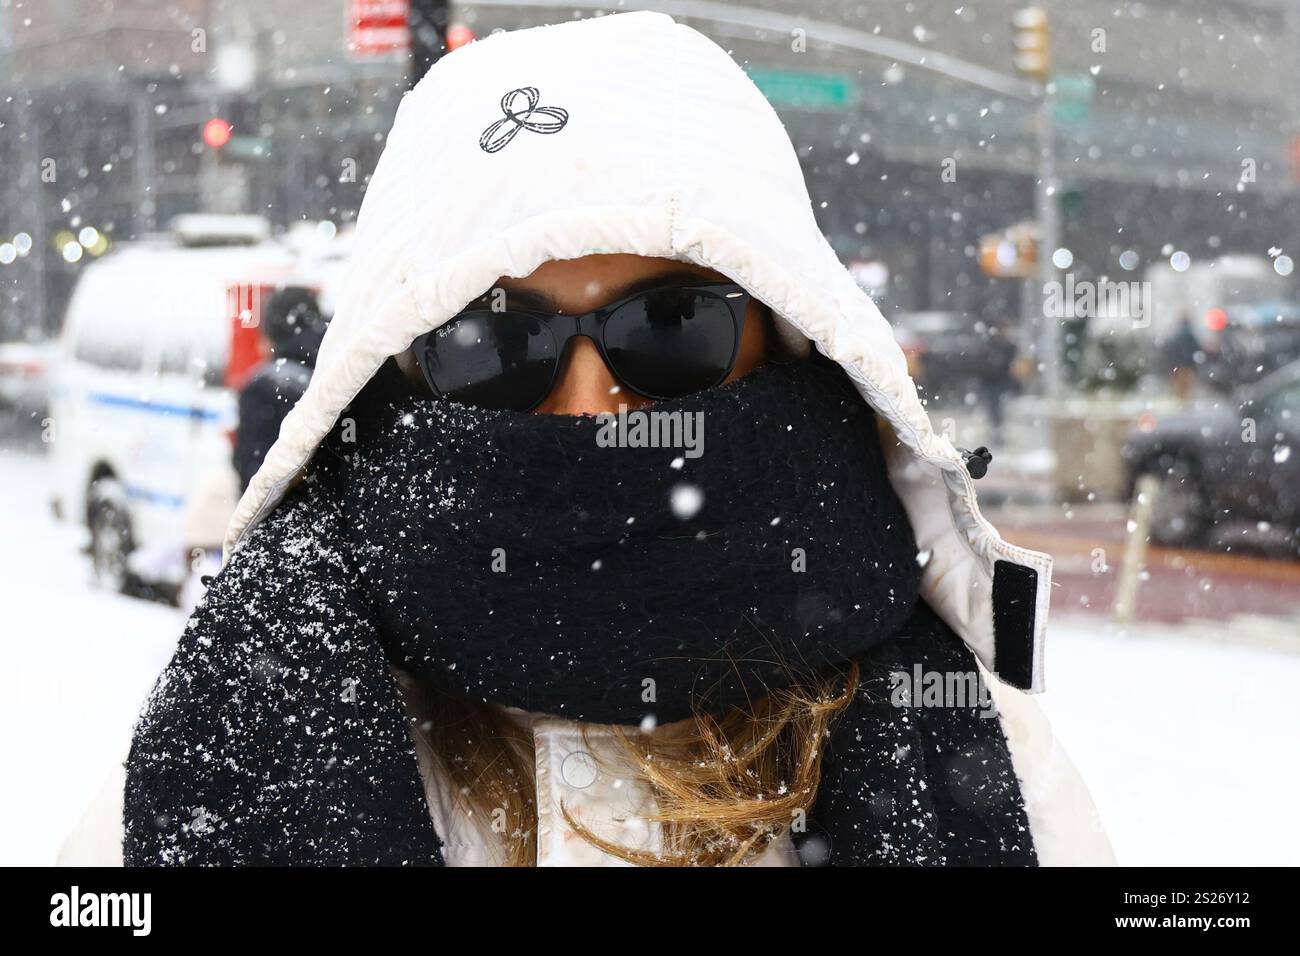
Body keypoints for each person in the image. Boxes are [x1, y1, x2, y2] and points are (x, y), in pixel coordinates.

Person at [75, 12, 1113, 867]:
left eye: (671, 327)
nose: (590, 405)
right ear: (394, 371)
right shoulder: (246, 718)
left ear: (788, 340)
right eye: (491, 343)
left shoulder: (956, 734)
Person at [232, 286, 327, 490]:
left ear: (270, 334)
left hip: (290, 515)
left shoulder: (264, 389)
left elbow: (255, 480)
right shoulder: (340, 376)